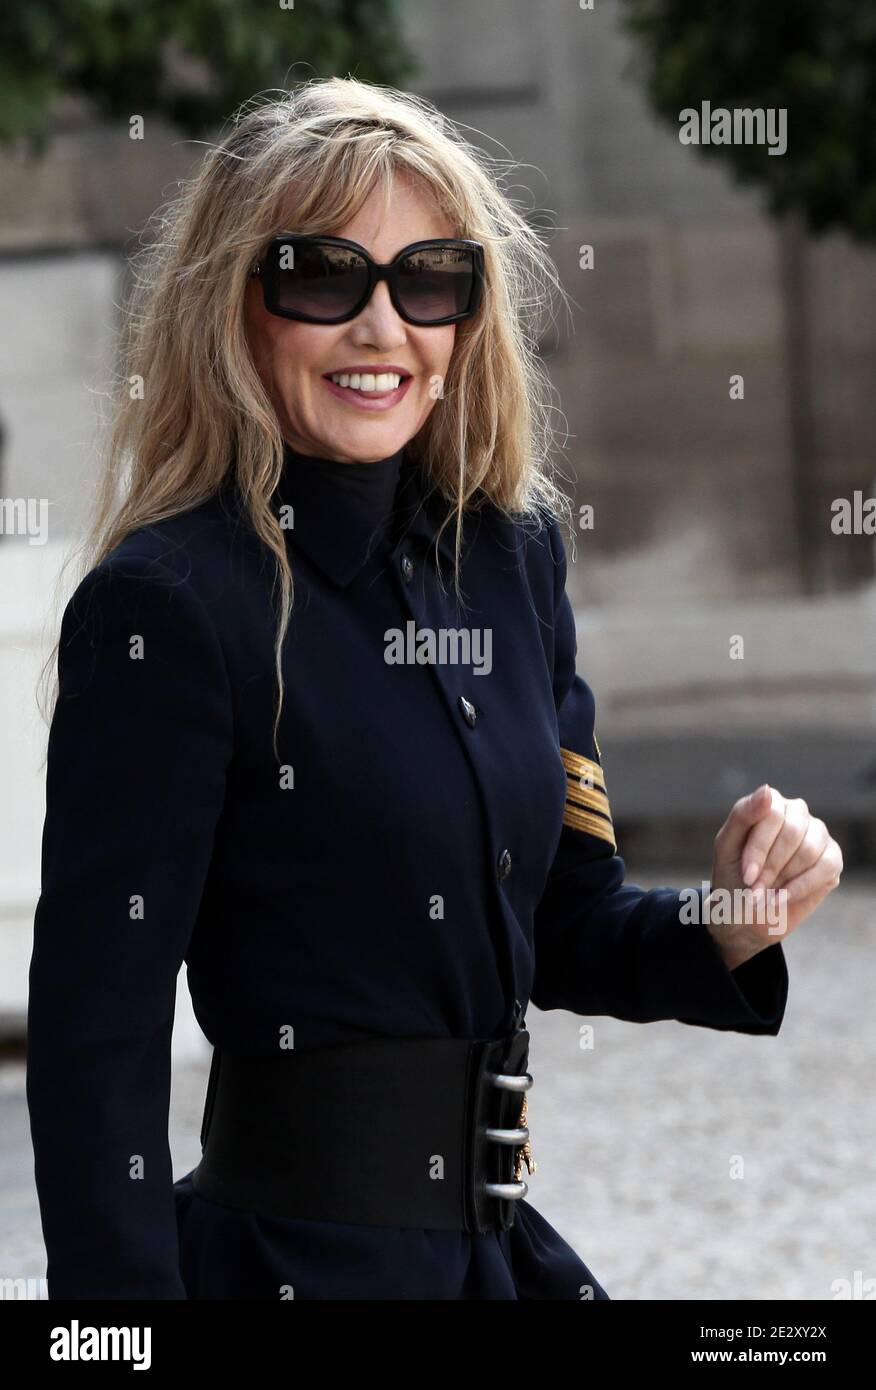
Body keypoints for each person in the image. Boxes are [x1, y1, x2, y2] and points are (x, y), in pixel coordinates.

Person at [26, 77, 842, 1301]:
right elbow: (98, 1050)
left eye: (429, 281)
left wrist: (723, 923)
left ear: (468, 314)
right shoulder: (171, 607)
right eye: (322, 276)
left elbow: (565, 920)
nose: (381, 325)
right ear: (234, 309)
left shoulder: (513, 561)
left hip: (496, 1263)